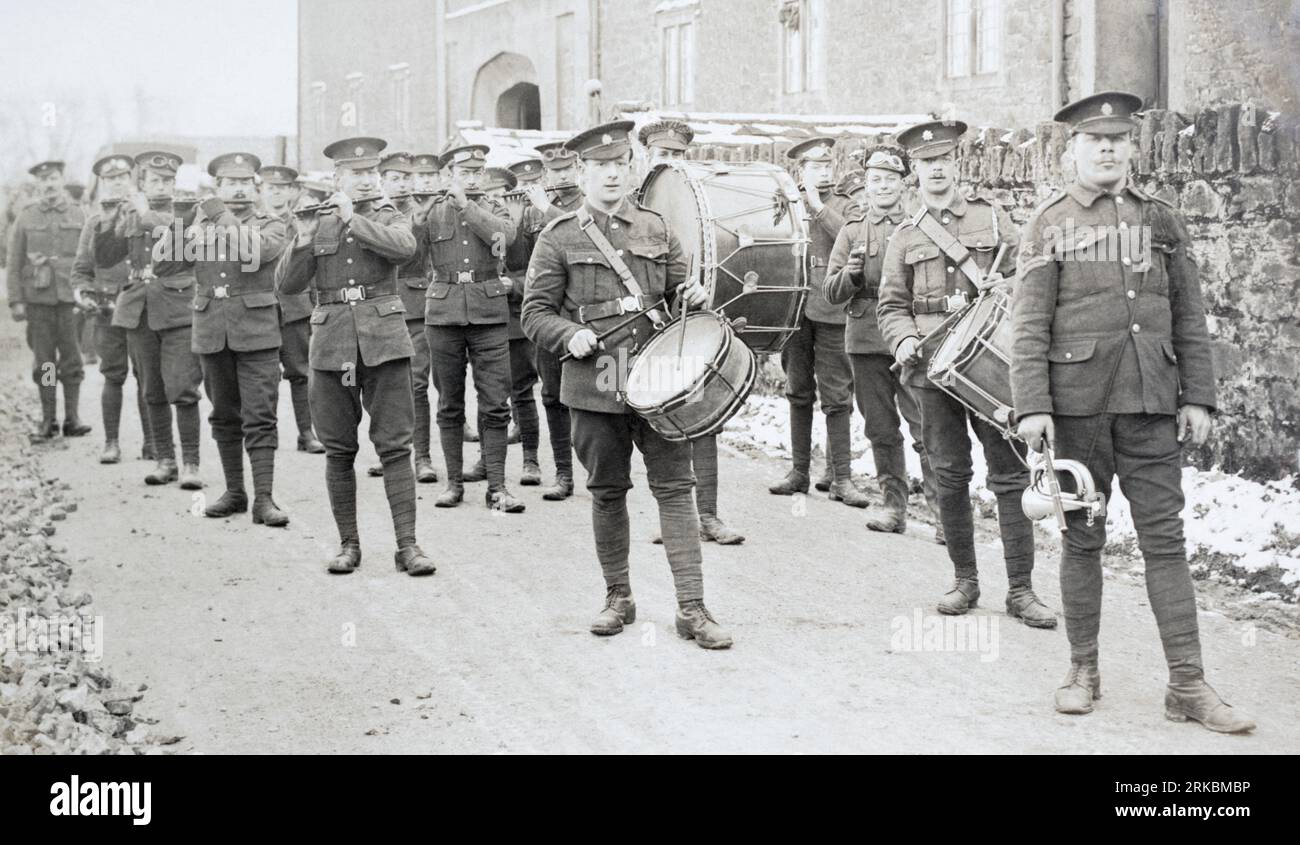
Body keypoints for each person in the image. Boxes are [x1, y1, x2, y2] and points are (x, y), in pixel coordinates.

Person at [1011, 92, 1254, 731]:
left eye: (1119, 139)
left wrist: (1197, 393)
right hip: (1077, 410)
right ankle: (1082, 670)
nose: (1109, 148)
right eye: (1096, 140)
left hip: (1151, 404)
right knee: (1082, 538)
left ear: (1134, 148)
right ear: (1073, 151)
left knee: (1165, 543)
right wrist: (1031, 406)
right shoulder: (1047, 224)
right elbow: (1029, 323)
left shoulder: (1164, 221)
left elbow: (1189, 313)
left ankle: (1188, 685)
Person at [522, 120, 732, 649]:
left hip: (658, 378)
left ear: (631, 168)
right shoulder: (559, 236)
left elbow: (679, 288)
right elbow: (534, 314)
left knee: (675, 490)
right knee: (608, 491)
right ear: (583, 173)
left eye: (619, 165)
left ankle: (692, 607)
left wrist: (693, 296)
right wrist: (568, 335)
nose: (611, 175)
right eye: (600, 167)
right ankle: (619, 598)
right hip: (596, 383)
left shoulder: (657, 227)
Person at [877, 120, 1055, 628]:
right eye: (926, 162)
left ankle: (1021, 590)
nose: (936, 169)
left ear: (957, 164)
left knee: (1010, 474)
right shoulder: (904, 236)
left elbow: (1029, 272)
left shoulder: (992, 218)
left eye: (944, 160)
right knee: (950, 475)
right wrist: (904, 338)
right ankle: (965, 580)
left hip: (990, 364)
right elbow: (891, 306)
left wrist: (1008, 284)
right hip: (933, 370)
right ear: (915, 170)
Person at [274, 136, 434, 576]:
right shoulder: (317, 222)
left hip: (384, 343)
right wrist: (303, 241)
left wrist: (353, 220)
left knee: (396, 447)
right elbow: (286, 287)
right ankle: (348, 545)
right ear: (337, 178)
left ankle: (408, 546)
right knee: (339, 449)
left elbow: (406, 250)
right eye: (355, 174)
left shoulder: (390, 215)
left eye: (370, 173)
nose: (365, 181)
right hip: (332, 347)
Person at [824, 145, 942, 541]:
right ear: (866, 185)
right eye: (875, 179)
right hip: (865, 338)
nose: (882, 186)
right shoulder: (852, 230)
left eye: (890, 179)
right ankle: (893, 505)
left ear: (903, 182)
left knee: (926, 426)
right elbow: (831, 293)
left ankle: (944, 512)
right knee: (880, 428)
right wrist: (852, 275)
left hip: (910, 338)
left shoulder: (920, 224)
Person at [637, 118, 744, 545]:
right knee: (650, 426)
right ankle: (671, 515)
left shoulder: (700, 206)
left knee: (699, 418)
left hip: (688, 325)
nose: (672, 164)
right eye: (664, 155)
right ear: (646, 157)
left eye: (679, 155)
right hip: (640, 329)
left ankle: (709, 516)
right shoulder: (628, 209)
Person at [188, 152, 290, 526]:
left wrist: (217, 215)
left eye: (246, 182)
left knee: (260, 415)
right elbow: (167, 263)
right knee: (223, 413)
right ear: (217, 187)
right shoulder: (198, 223)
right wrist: (186, 222)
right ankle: (235, 492)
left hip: (258, 332)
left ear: (256, 187)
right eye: (231, 183)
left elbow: (257, 252)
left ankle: (264, 499)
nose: (240, 188)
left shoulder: (271, 223)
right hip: (212, 329)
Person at [94, 150, 205, 489]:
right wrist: (108, 221)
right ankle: (164, 459)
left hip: (177, 311)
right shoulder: (129, 213)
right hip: (138, 311)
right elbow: (106, 258)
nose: (163, 186)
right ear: (141, 182)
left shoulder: (188, 212)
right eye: (155, 180)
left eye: (168, 180)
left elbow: (182, 252)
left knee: (183, 389)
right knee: (152, 390)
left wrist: (144, 214)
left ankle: (191, 464)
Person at [421, 144, 523, 512]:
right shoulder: (431, 211)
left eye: (478, 172)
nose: (472, 178)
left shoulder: (494, 208)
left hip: (489, 311)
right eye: (464, 172)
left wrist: (467, 204)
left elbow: (505, 239)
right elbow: (410, 254)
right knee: (449, 403)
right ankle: (453, 483)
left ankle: (497, 486)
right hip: (444, 313)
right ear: (449, 173)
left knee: (495, 401)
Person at [769, 138, 867, 508]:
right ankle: (798, 472)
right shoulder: (785, 201)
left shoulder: (846, 203)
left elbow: (854, 237)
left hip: (832, 308)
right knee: (797, 390)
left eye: (827, 165)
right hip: (794, 308)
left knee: (837, 395)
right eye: (815, 166)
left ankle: (841, 477)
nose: (824, 171)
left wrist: (815, 204)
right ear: (800, 171)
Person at [71, 154, 152, 463]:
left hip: (142, 307)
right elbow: (81, 268)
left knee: (147, 377)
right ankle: (112, 443)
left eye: (122, 177)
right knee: (112, 375)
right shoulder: (94, 222)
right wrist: (84, 293)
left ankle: (153, 443)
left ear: (132, 180)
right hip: (107, 309)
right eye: (110, 178)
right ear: (102, 184)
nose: (117, 183)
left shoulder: (145, 215)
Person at [365, 151, 438, 484]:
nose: (403, 184)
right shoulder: (372, 213)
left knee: (417, 384)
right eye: (395, 178)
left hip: (416, 305)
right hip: (379, 306)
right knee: (383, 386)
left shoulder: (421, 212)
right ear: (381, 180)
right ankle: (392, 452)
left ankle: (421, 457)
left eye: (407, 178)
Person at [6, 160, 90, 441]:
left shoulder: (79, 213)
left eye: (54, 178)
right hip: (38, 302)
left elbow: (89, 258)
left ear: (62, 180)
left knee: (72, 359)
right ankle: (48, 419)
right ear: (38, 184)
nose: (50, 184)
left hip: (70, 300)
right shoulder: (26, 217)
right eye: (44, 180)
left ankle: (73, 418)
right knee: (45, 364)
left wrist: (88, 292)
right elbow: (14, 260)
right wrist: (16, 300)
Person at [523, 141, 586, 500]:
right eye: (554, 171)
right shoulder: (535, 211)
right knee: (552, 395)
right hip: (550, 316)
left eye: (566, 169)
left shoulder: (585, 204)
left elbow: (578, 234)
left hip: (583, 315)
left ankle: (598, 470)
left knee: (595, 394)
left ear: (577, 169)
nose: (560, 176)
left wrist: (545, 208)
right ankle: (564, 473)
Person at [260, 164, 325, 454]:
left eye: (282, 188)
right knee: (263, 375)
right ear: (261, 189)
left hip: (295, 307)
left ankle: (306, 432)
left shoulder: (304, 219)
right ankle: (266, 432)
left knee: (301, 371)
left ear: (292, 191)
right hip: (259, 308)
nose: (276, 193)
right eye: (270, 188)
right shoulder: (250, 222)